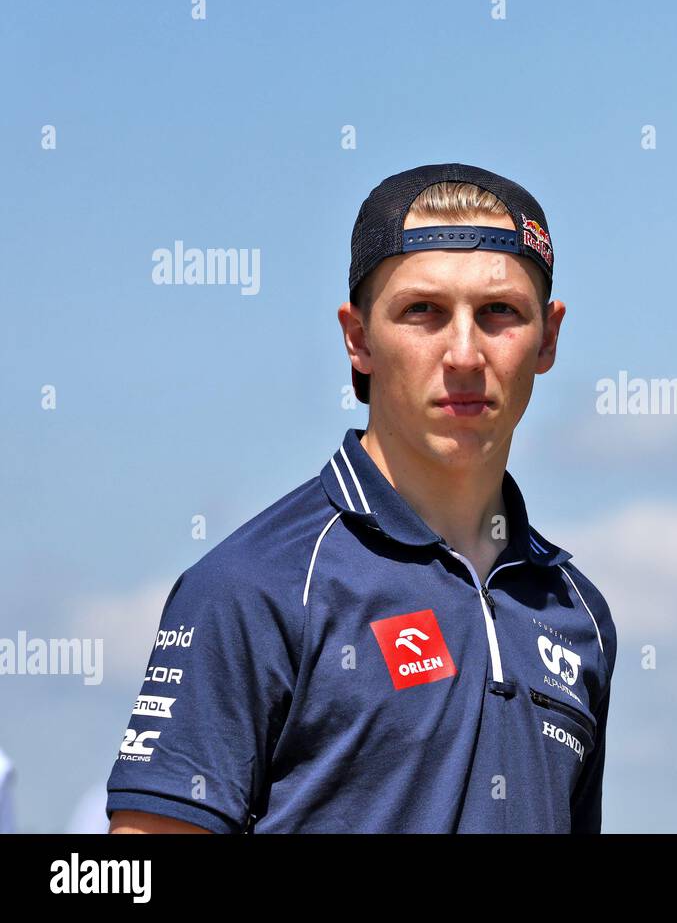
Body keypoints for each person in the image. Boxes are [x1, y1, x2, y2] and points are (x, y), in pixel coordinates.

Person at [106, 163, 616, 833]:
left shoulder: (577, 612)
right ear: (358, 337)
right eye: (423, 311)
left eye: (499, 312)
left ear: (548, 336)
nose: (464, 353)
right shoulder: (253, 587)